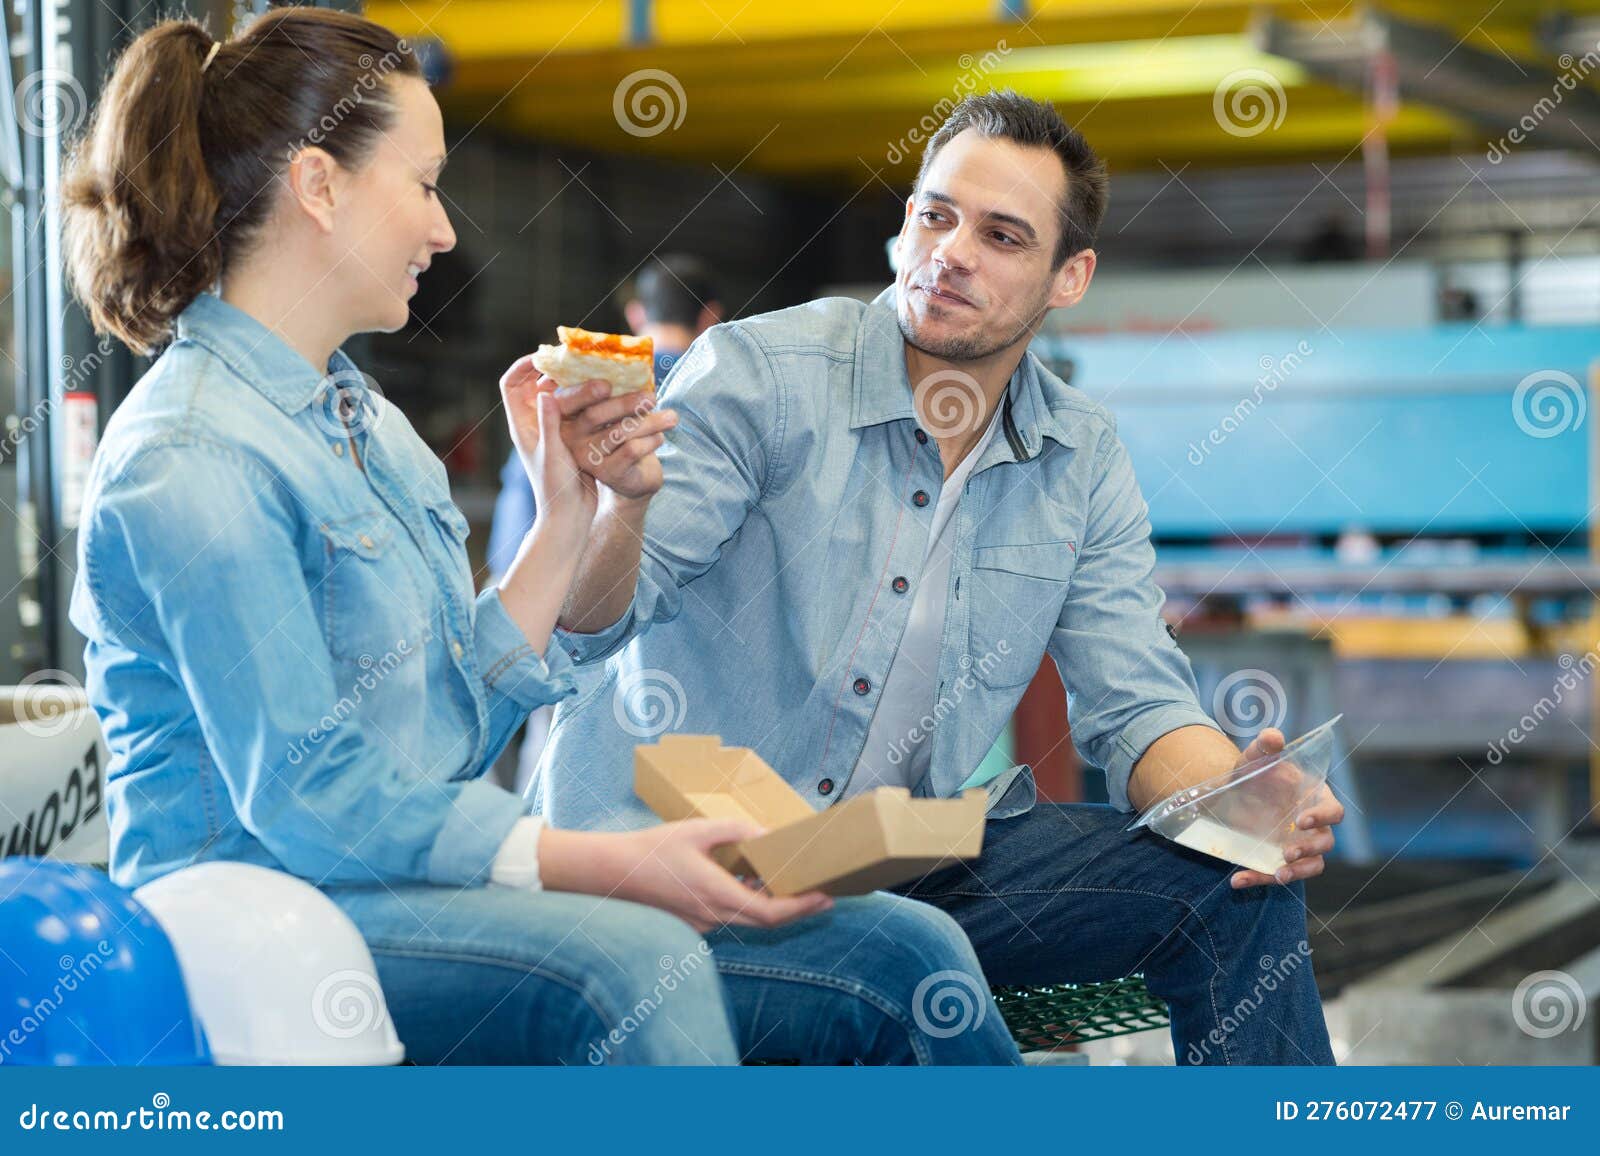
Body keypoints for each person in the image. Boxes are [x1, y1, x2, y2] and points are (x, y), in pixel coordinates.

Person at [61, 8, 1020, 1067]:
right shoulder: (189, 453)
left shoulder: (367, 426)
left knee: (901, 953)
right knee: (625, 970)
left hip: (391, 876)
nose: (443, 230)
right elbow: (310, 800)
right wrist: (592, 861)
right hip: (261, 919)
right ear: (319, 188)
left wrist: (573, 510)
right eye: (424, 185)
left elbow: (446, 724)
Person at [532, 90, 1344, 1065]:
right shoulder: (763, 374)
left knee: (1237, 880)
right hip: (668, 872)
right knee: (911, 967)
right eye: (933, 214)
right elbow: (588, 622)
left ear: (1067, 276)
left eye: (1002, 235)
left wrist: (1239, 800)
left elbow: (1136, 704)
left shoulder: (1075, 455)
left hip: (881, 866)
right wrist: (616, 507)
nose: (951, 251)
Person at [487, 255, 721, 791]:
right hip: (633, 621)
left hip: (533, 583)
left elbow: (519, 491)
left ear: (637, 315)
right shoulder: (714, 390)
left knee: (540, 751)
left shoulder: (583, 377)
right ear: (711, 318)